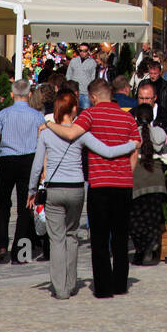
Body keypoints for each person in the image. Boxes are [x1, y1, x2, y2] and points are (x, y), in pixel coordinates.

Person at [26, 89, 133, 299]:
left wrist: (31, 191)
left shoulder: (46, 133)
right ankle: (72, 282)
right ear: (75, 109)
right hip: (76, 188)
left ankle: (60, 288)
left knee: (56, 239)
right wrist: (131, 144)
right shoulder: (82, 133)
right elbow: (108, 152)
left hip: (54, 188)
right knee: (71, 235)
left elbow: (37, 166)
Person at [0, 79, 45, 264]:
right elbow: (42, 142)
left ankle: (1, 245)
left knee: (3, 204)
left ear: (12, 95)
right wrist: (43, 168)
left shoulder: (4, 114)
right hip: (29, 160)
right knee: (25, 205)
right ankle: (20, 252)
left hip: (7, 161)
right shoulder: (37, 116)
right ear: (29, 95)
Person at [130, 103, 167, 265]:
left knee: (136, 218)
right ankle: (152, 246)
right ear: (152, 118)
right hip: (157, 180)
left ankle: (141, 250)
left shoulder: (132, 134)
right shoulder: (161, 133)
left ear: (136, 118)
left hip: (137, 182)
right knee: (153, 218)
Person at [141, 58, 167, 130]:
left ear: (159, 72)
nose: (152, 76)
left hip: (162, 118)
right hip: (146, 116)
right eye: (150, 73)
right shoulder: (143, 84)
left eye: (155, 73)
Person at [67, 43, 97, 110]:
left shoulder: (93, 63)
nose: (82, 52)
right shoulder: (73, 61)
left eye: (85, 51)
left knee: (85, 113)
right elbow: (68, 75)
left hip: (86, 94)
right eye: (80, 50)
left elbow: (93, 78)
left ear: (88, 51)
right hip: (73, 93)